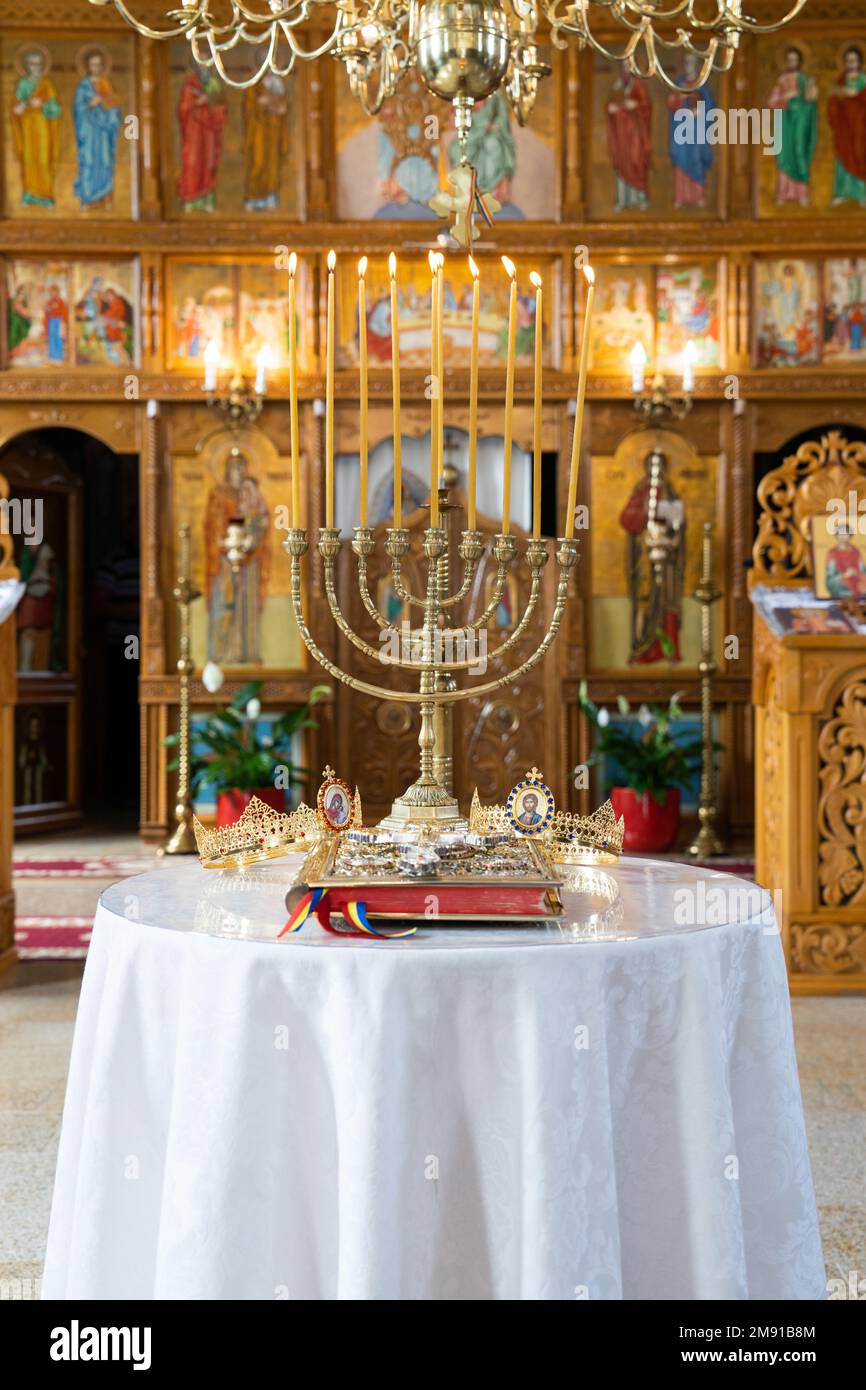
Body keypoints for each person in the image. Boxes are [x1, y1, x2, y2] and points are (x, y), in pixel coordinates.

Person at [766, 45, 818, 207]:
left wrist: (811, 91)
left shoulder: (804, 80)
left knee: (799, 152)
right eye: (789, 60)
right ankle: (783, 193)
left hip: (800, 122)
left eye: (795, 59)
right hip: (784, 123)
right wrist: (786, 97)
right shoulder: (781, 81)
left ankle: (801, 194)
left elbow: (810, 102)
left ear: (799, 62)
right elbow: (771, 103)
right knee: (784, 154)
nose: (792, 62)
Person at [73, 47, 123, 210]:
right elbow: (77, 110)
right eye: (93, 65)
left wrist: (109, 107)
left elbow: (115, 107)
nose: (97, 68)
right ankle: (88, 199)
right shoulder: (83, 87)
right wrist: (89, 104)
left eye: (99, 64)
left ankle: (104, 198)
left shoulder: (106, 85)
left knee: (105, 162)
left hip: (103, 133)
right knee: (88, 162)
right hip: (88, 133)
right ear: (88, 66)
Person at [11, 46, 61, 208]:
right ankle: (29, 194)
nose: (36, 67)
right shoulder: (23, 84)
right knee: (29, 159)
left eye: (39, 64)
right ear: (26, 66)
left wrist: (43, 104)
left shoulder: (46, 84)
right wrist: (26, 104)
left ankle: (46, 195)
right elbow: (16, 109)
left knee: (43, 159)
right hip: (27, 125)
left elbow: (56, 110)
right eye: (32, 64)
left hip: (43, 126)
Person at [176, 63, 228, 212]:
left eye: (208, 65)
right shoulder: (189, 85)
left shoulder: (214, 84)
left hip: (209, 133)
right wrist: (197, 102)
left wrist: (211, 102)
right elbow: (183, 108)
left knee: (209, 163)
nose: (204, 69)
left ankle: (207, 200)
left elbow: (221, 105)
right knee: (192, 163)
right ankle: (191, 200)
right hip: (193, 133)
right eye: (201, 65)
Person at [667, 53, 716, 208]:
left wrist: (700, 112)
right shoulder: (679, 83)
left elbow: (709, 105)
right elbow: (671, 104)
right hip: (681, 130)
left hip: (697, 131)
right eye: (687, 62)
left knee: (696, 159)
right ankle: (681, 197)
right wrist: (680, 98)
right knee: (682, 161)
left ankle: (698, 196)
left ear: (696, 65)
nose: (689, 65)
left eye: (692, 62)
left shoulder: (701, 84)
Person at [606, 71, 652, 211]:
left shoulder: (639, 86)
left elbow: (646, 107)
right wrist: (610, 109)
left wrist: (636, 106)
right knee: (622, 162)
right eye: (623, 66)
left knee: (637, 160)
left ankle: (640, 198)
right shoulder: (617, 85)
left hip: (636, 133)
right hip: (621, 134)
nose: (625, 70)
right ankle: (622, 199)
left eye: (628, 66)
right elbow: (610, 104)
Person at [243, 74, 289, 211]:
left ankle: (270, 196)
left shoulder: (277, 85)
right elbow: (250, 107)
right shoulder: (255, 86)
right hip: (258, 131)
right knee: (258, 162)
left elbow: (283, 108)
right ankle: (254, 197)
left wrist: (272, 104)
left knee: (273, 164)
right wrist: (262, 104)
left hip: (274, 132)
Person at [828, 45, 866, 208]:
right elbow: (833, 102)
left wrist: (856, 96)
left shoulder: (864, 79)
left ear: (859, 61)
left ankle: (862, 193)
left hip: (861, 126)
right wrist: (838, 96)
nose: (851, 63)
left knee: (860, 155)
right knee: (842, 157)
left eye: (854, 60)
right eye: (848, 60)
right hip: (844, 127)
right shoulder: (841, 80)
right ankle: (842, 193)